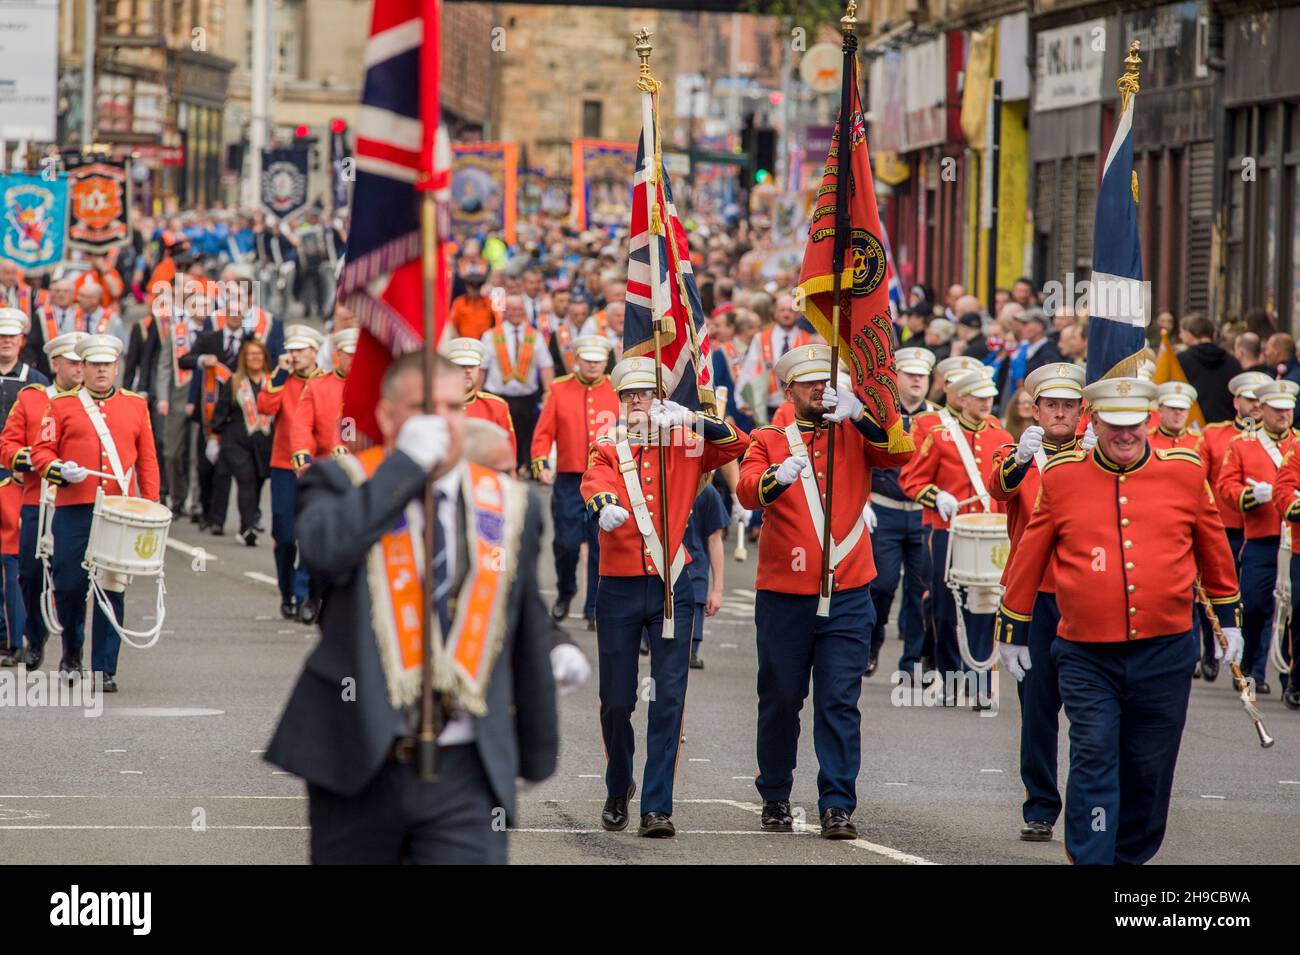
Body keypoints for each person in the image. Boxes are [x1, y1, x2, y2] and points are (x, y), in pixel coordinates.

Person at [264, 351, 585, 864]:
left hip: (466, 765)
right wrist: (405, 468)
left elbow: (518, 615)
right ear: (388, 416)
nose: (440, 421)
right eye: (421, 408)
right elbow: (326, 551)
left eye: (452, 407)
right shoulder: (343, 482)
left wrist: (536, 740)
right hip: (359, 753)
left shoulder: (509, 504)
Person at [994, 377, 1242, 865]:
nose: (1124, 435)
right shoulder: (1064, 476)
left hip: (1166, 650)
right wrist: (1013, 626)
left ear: (1148, 422)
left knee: (1149, 767)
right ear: (1096, 421)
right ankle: (1092, 856)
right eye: (1113, 425)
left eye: (1133, 425)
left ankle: (1129, 857)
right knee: (1094, 755)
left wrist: (1228, 620)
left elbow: (1213, 549)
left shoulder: (1186, 473)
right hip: (1086, 650)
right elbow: (1031, 551)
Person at [737, 343, 912, 838]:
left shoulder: (852, 432)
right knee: (780, 697)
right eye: (809, 383)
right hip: (785, 593)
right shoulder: (770, 436)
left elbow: (899, 452)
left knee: (839, 698)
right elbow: (747, 487)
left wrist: (864, 417)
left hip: (850, 587)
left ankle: (837, 802)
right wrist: (775, 477)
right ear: (788, 389)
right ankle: (775, 792)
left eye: (826, 381)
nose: (820, 389)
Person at [581, 356, 748, 838]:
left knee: (668, 698)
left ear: (661, 399)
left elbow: (737, 444)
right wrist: (605, 505)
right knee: (616, 699)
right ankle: (618, 785)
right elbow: (594, 479)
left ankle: (658, 805)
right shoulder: (610, 445)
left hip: (673, 585)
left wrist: (695, 418)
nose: (638, 403)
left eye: (646, 394)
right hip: (619, 586)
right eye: (630, 396)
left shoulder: (686, 442)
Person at [987, 362, 1089, 843]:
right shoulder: (1018, 454)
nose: (1061, 413)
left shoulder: (1096, 457)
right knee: (1039, 707)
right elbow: (998, 489)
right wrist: (1021, 460)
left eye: (1070, 405)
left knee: (1091, 709)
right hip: (1036, 598)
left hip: (1085, 595)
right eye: (1053, 405)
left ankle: (1091, 803)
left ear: (1081, 410)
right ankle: (1041, 805)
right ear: (1036, 409)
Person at [30, 335, 161, 692]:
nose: (102, 370)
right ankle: (72, 651)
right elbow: (41, 451)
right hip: (74, 506)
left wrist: (150, 504)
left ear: (116, 367)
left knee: (112, 586)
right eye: (95, 364)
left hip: (119, 510)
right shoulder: (61, 405)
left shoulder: (135, 405)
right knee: (69, 584)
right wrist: (58, 469)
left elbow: (147, 459)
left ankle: (104, 667)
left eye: (108, 364)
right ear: (83, 368)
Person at [900, 367, 1012, 700]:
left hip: (989, 532)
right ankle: (949, 675)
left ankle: (979, 680)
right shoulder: (937, 432)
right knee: (946, 607)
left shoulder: (1000, 435)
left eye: (990, 397)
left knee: (986, 605)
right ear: (962, 399)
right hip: (948, 530)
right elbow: (912, 480)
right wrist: (938, 497)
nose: (987, 403)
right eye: (979, 397)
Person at [1, 331, 84, 669]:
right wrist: (29, 459)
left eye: (83, 362)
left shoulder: (91, 403)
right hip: (38, 496)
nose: (79, 369)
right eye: (72, 362)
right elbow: (8, 444)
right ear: (55, 364)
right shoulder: (32, 398)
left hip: (75, 500)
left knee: (70, 581)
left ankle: (72, 649)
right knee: (30, 574)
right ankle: (35, 635)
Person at [1217, 379, 1299, 693]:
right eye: (1277, 409)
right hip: (1262, 537)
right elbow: (1226, 486)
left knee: (1294, 611)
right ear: (1261, 409)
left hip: (1294, 538)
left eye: (1288, 409)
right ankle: (1251, 668)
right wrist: (1249, 495)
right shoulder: (1242, 444)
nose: (1283, 415)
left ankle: (1289, 679)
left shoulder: (1298, 443)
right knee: (1254, 607)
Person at [530, 335, 617, 627]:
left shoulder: (617, 390)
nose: (593, 365)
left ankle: (595, 607)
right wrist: (541, 461)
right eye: (587, 359)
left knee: (600, 544)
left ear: (606, 362)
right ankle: (566, 591)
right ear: (576, 359)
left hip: (606, 476)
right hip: (569, 477)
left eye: (598, 360)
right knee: (566, 543)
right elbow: (544, 432)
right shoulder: (559, 389)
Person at [1194, 370, 1270, 677]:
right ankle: (1210, 645)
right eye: (1249, 400)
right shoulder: (1214, 434)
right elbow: (1199, 477)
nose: (1254, 406)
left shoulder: (1276, 439)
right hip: (1222, 523)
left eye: (1259, 401)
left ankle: (1258, 668)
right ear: (1236, 400)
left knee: (1257, 600)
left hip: (1260, 526)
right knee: (1211, 588)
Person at [866, 347, 936, 678]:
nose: (918, 381)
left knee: (920, 590)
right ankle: (871, 644)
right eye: (911, 375)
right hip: (886, 510)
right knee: (881, 584)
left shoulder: (938, 419)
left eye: (922, 376)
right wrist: (863, 502)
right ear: (897, 379)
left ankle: (911, 661)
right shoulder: (881, 414)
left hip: (923, 512)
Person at [257, 324, 324, 621]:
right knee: (284, 535)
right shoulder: (282, 379)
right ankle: (287, 592)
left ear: (315, 352)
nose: (294, 356)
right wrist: (280, 373)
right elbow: (265, 407)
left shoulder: (326, 382)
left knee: (311, 533)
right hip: (284, 465)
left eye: (301, 350)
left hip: (317, 467)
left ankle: (305, 594)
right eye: (291, 350)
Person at [0, 308, 50, 665]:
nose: (5, 341)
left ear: (22, 341)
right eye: (0, 336)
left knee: (16, 560)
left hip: (17, 479)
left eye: (11, 336)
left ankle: (16, 639)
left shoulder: (36, 381)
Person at [481, 293, 554, 475]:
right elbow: (482, 367)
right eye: (512, 309)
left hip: (526, 398)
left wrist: (548, 392)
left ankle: (523, 466)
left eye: (519, 309)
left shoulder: (535, 336)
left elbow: (545, 365)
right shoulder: (490, 335)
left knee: (525, 435)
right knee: (499, 435)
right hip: (497, 396)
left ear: (525, 311)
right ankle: (499, 467)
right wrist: (476, 391)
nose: (516, 312)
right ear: (505, 311)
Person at [209, 339, 274, 545]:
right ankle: (247, 528)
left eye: (258, 354)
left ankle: (249, 521)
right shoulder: (235, 381)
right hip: (236, 441)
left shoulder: (272, 382)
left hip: (264, 444)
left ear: (264, 357)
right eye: (250, 354)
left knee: (257, 482)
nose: (255, 358)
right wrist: (215, 435)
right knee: (246, 480)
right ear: (244, 359)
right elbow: (220, 413)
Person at [443, 337, 516, 457]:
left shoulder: (497, 407)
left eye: (472, 366)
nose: (467, 371)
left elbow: (509, 455)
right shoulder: (435, 405)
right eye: (461, 366)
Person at [683, 481, 728, 670]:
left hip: (695, 574)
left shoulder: (707, 492)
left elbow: (715, 539)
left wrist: (717, 590)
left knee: (687, 652)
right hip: (667, 572)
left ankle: (690, 650)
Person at [744, 293, 809, 422]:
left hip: (799, 408)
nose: (786, 314)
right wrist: (746, 401)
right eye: (782, 310)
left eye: (790, 310)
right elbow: (749, 371)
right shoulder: (760, 338)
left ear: (798, 314)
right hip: (769, 406)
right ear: (775, 313)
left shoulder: (808, 339)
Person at [1177, 315, 1242, 423]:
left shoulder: (1181, 360)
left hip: (1193, 427)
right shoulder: (1233, 362)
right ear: (1213, 334)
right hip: (1225, 427)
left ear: (1189, 336)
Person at [1147, 382, 1200, 451]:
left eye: (1182, 409)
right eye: (1172, 408)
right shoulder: (1146, 441)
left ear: (1188, 412)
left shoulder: (1199, 442)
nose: (1178, 412)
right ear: (1160, 410)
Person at [449, 272, 495, 342]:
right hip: (464, 344)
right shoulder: (459, 302)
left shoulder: (489, 302)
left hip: (484, 344)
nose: (475, 291)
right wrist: (459, 343)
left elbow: (496, 325)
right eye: (472, 287)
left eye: (477, 287)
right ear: (467, 286)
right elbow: (452, 326)